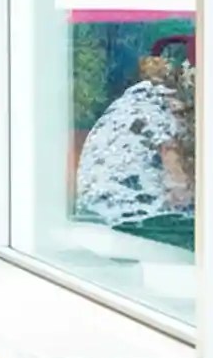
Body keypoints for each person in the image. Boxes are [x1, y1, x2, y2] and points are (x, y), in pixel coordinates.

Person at [75, 40, 195, 251]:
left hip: (97, 226)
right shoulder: (163, 113)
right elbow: (179, 191)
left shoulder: (137, 102)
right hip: (141, 230)